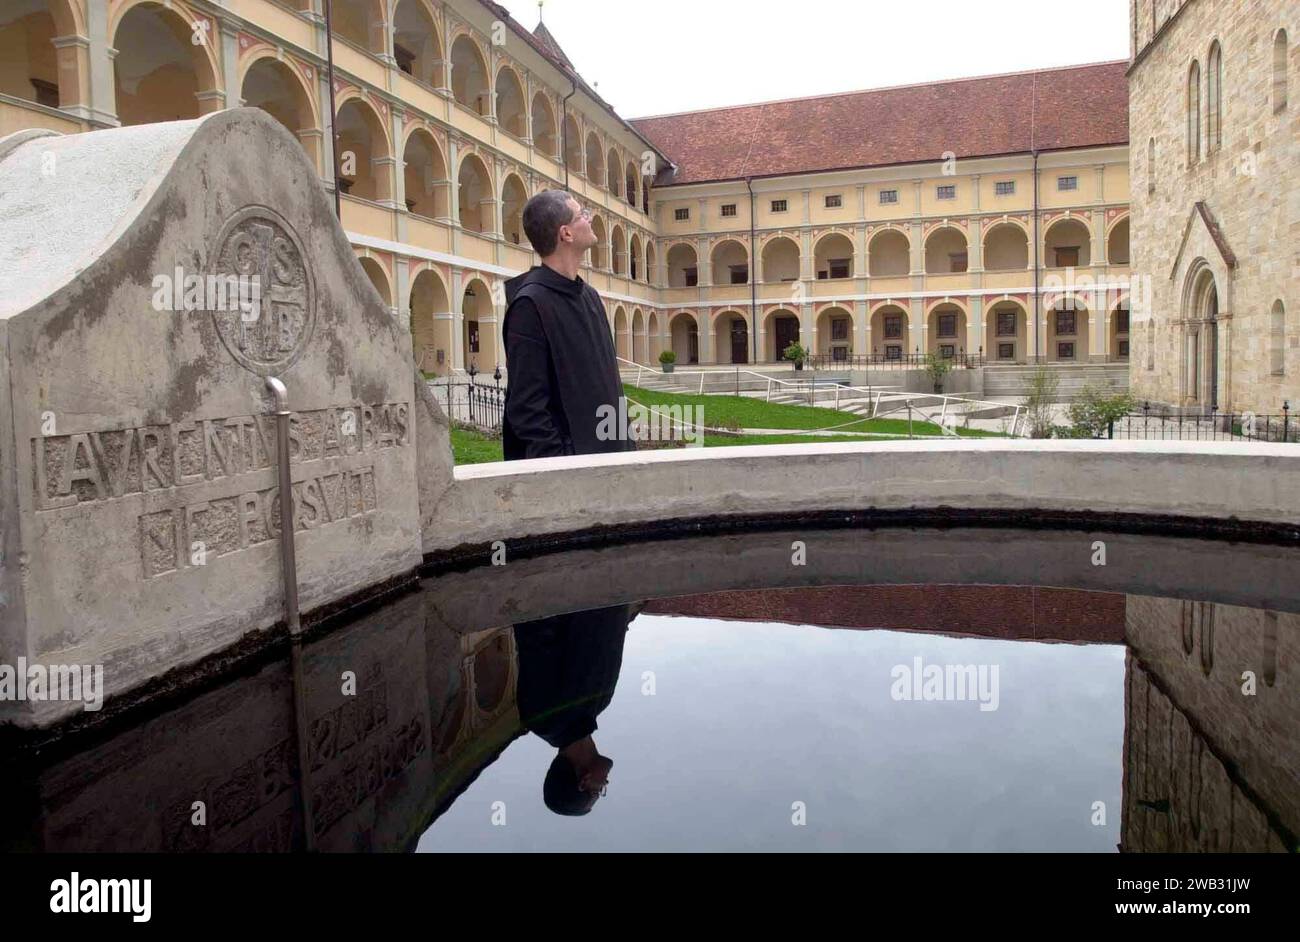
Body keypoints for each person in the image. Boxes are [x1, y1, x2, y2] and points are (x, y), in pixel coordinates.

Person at [501, 190, 635, 460]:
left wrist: (627, 447)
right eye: (582, 214)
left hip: (614, 459)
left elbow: (609, 385)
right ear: (566, 234)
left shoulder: (590, 297)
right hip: (573, 469)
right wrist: (564, 462)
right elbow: (527, 408)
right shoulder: (530, 305)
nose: (589, 218)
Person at [512, 604, 633, 816]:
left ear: (584, 781)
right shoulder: (599, 705)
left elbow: (535, 630)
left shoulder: (544, 718)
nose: (605, 783)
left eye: (599, 790)